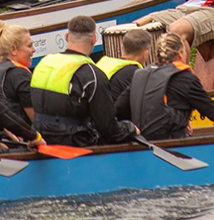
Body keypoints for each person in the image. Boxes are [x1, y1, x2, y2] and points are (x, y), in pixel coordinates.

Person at [30, 16, 136, 146]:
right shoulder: (93, 75)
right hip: (75, 146)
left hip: (40, 141)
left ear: (67, 37)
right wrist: (130, 128)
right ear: (94, 39)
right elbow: (110, 130)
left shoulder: (44, 63)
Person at [129, 32, 214, 140]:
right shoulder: (185, 78)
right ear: (180, 54)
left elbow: (122, 107)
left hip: (142, 141)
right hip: (170, 146)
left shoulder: (141, 73)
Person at [0, 22, 36, 125]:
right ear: (13, 50)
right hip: (20, 138)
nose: (33, 50)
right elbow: (36, 119)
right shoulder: (20, 75)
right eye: (29, 46)